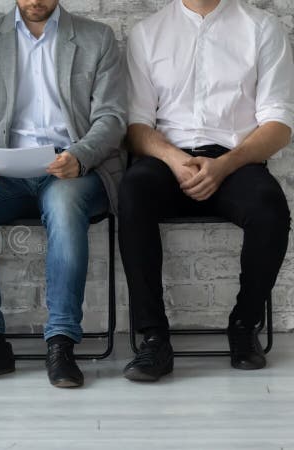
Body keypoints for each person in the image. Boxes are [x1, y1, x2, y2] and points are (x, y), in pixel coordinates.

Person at [0, 0, 126, 387]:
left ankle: (61, 342)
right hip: (4, 171)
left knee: (62, 205)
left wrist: (79, 155)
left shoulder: (98, 39)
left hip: (73, 169)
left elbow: (112, 117)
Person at [120, 0, 293, 382]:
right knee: (133, 192)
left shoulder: (262, 28)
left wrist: (225, 165)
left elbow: (279, 124)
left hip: (236, 159)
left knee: (270, 207)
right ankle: (154, 338)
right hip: (167, 158)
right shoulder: (147, 33)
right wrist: (175, 159)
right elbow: (135, 125)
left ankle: (244, 326)